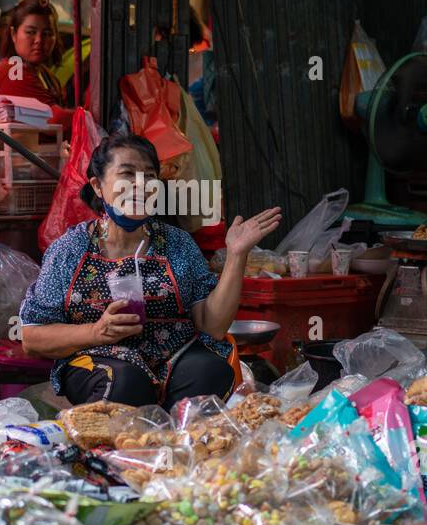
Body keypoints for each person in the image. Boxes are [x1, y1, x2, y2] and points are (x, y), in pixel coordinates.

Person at [19, 133, 281, 407]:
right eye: (127, 174)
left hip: (174, 355)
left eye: (149, 175)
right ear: (98, 185)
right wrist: (97, 332)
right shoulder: (69, 250)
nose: (140, 185)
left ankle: (182, 446)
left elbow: (212, 326)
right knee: (123, 382)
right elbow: (32, 336)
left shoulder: (177, 243)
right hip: (97, 357)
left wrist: (236, 256)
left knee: (210, 371)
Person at [0, 0, 75, 133]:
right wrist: (90, 114)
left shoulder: (47, 75)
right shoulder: (13, 70)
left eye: (47, 34)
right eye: (30, 32)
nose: (39, 40)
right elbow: (55, 120)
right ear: (14, 34)